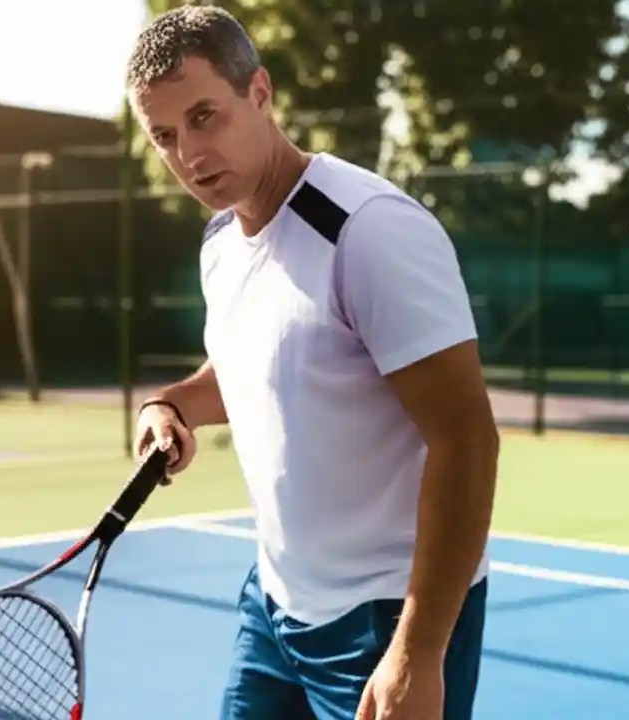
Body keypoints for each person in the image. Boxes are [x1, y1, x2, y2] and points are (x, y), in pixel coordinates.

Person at [126, 7, 499, 720]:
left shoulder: (369, 231)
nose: (190, 155)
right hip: (274, 607)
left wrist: (417, 653)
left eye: (206, 116)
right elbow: (249, 370)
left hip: (388, 619)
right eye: (166, 136)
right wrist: (171, 405)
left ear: (260, 93)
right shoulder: (220, 242)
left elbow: (468, 439)